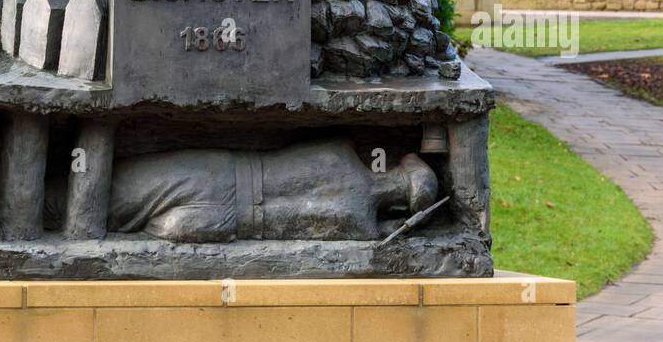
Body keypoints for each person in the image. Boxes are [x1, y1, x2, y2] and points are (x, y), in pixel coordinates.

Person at [107, 141, 439, 242]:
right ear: (399, 208)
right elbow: (390, 234)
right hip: (222, 220)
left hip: (223, 174)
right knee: (130, 209)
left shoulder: (340, 152)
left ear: (397, 168)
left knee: (124, 189)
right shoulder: (365, 226)